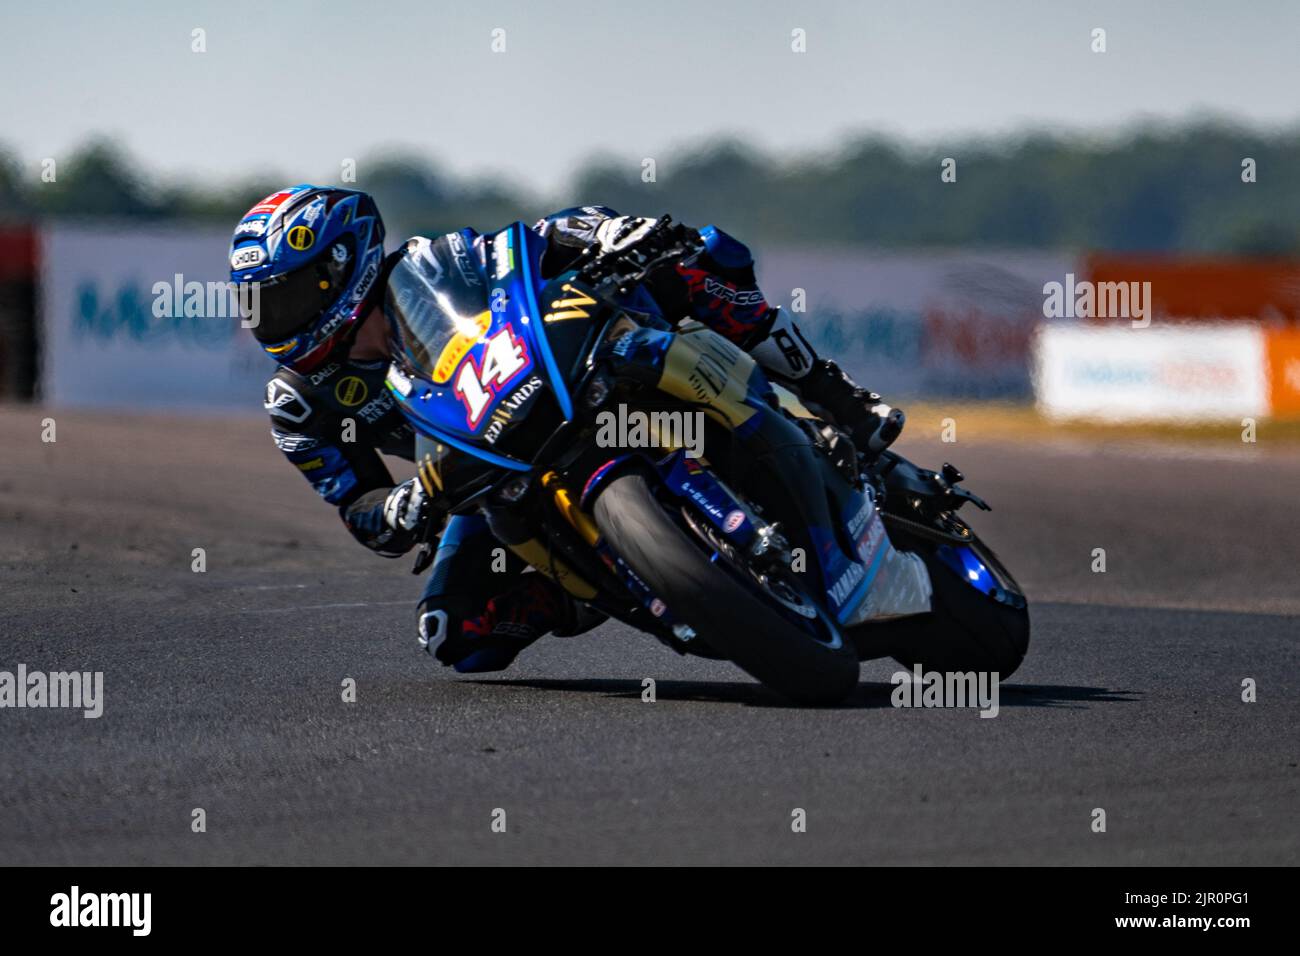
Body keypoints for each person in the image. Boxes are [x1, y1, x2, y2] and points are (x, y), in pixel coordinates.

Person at [228, 186, 904, 673]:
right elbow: (359, 509)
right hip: (486, 471)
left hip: (567, 374)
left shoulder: (434, 264)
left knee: (694, 256)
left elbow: (536, 239)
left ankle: (833, 395)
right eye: (261, 306)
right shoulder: (300, 403)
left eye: (287, 298)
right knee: (454, 636)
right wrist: (405, 505)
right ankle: (604, 576)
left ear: (341, 268)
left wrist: (607, 234)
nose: (274, 322)